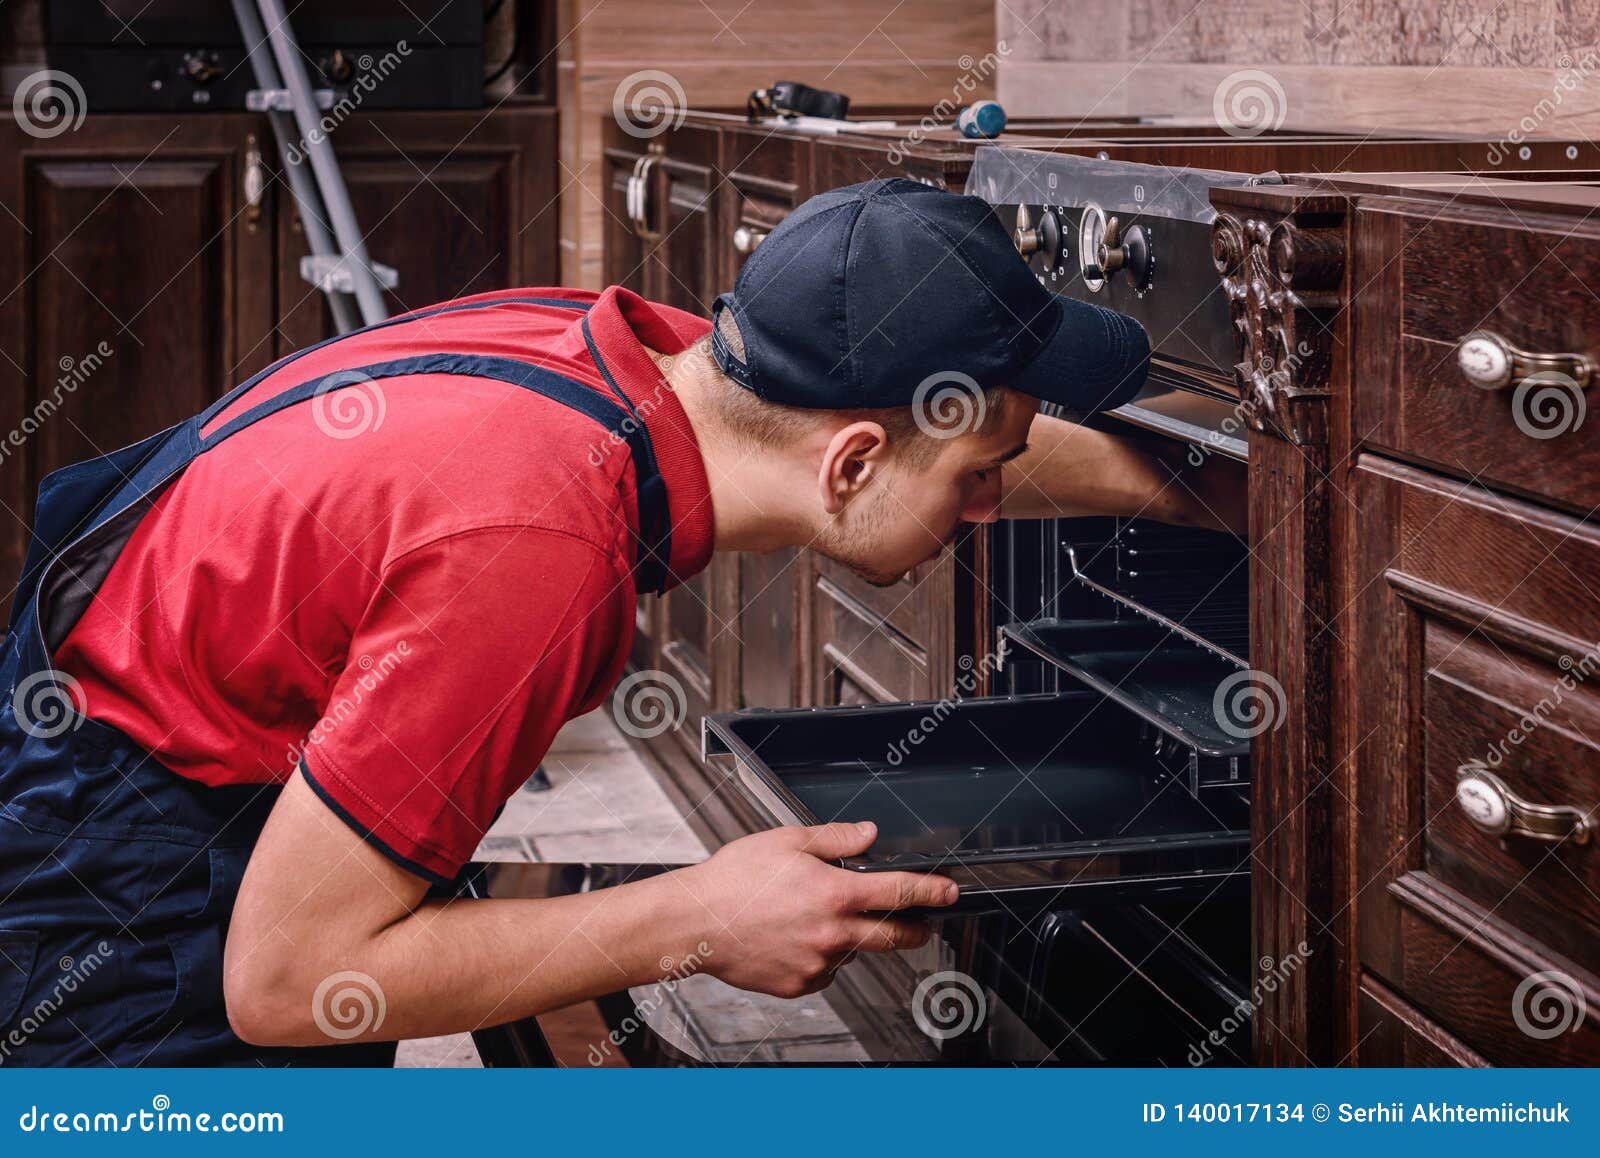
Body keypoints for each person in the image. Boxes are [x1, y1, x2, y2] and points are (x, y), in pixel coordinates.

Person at [0, 178, 1243, 1065]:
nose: (986, 507)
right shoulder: (534, 550)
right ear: (853, 460)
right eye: (978, 480)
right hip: (128, 893)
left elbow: (931, 442)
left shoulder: (654, 363)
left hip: (124, 714)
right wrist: (695, 923)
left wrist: (1226, 494)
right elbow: (285, 982)